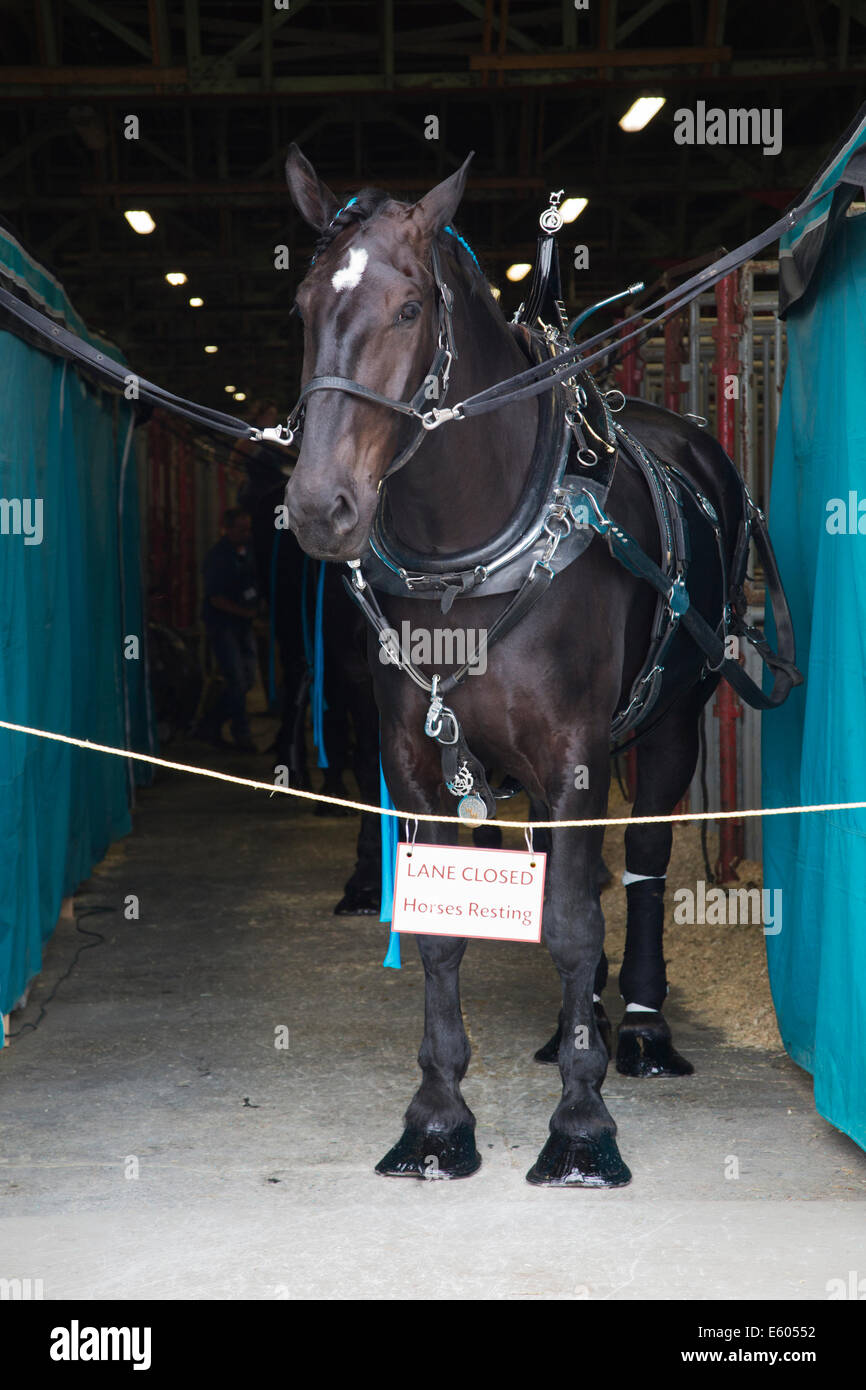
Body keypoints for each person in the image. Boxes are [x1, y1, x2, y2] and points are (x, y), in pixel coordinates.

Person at [197, 508, 260, 752]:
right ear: (228, 529)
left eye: (248, 529)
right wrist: (244, 612)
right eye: (241, 529)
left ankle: (210, 724)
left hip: (243, 626)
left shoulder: (249, 553)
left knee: (247, 680)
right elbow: (216, 599)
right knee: (236, 680)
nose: (246, 534)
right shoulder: (218, 557)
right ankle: (241, 734)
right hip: (223, 626)